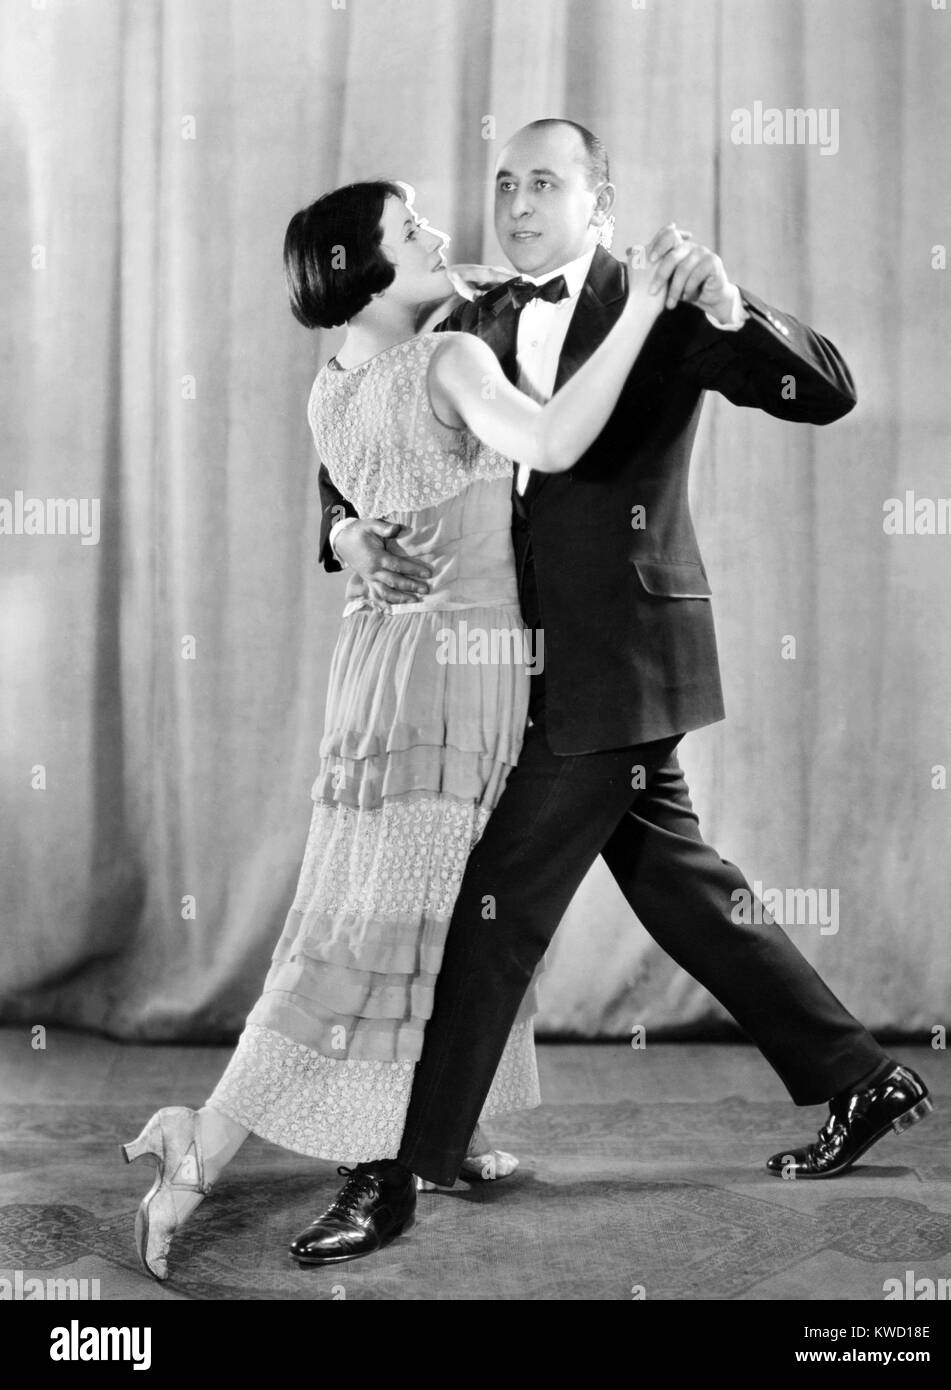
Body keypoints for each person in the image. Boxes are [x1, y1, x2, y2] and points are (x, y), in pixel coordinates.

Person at [293, 119, 932, 1265]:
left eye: (547, 181)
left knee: (488, 911)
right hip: (493, 672)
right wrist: (346, 534)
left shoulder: (669, 302)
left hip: (620, 661)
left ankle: (391, 1172)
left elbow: (822, 389)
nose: (517, 200)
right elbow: (356, 437)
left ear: (601, 202)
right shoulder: (460, 314)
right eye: (504, 180)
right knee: (679, 885)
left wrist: (737, 309)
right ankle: (863, 1077)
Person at [119, 175, 675, 1278]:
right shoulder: (447, 359)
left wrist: (352, 541)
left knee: (430, 912)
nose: (438, 233)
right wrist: (648, 304)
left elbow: (350, 500)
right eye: (407, 229)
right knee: (377, 931)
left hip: (375, 671)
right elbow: (554, 440)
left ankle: (443, 1128)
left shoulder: (332, 380)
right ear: (357, 269)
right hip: (453, 681)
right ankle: (211, 1145)